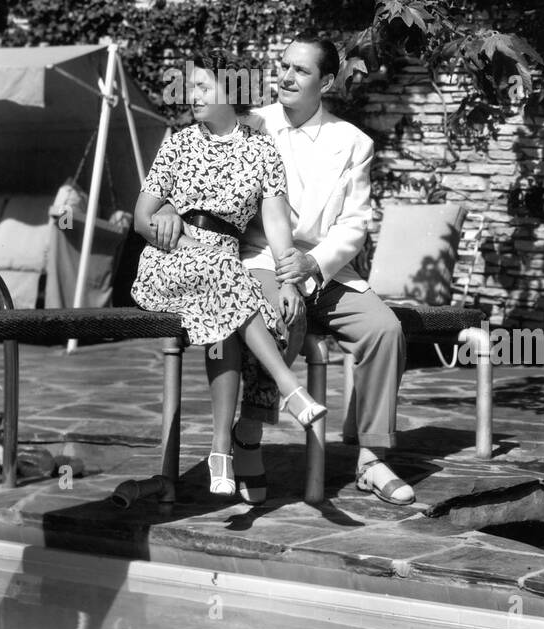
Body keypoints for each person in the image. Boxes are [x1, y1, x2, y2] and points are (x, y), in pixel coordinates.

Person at [131, 51, 327, 496]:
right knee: (225, 274)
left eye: (203, 86)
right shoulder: (177, 143)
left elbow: (277, 225)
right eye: (190, 86)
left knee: (229, 308)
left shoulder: (261, 151)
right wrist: (181, 237)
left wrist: (289, 277)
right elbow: (141, 218)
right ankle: (289, 387)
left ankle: (222, 446)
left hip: (222, 270)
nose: (192, 94)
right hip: (168, 262)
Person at [233, 33, 415, 507]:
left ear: (327, 81)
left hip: (327, 269)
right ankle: (247, 439)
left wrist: (314, 260)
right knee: (281, 320)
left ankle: (372, 460)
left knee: (385, 330)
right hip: (260, 262)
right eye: (283, 66)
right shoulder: (248, 125)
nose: (286, 77)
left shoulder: (352, 142)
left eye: (301, 70)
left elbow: (356, 224)